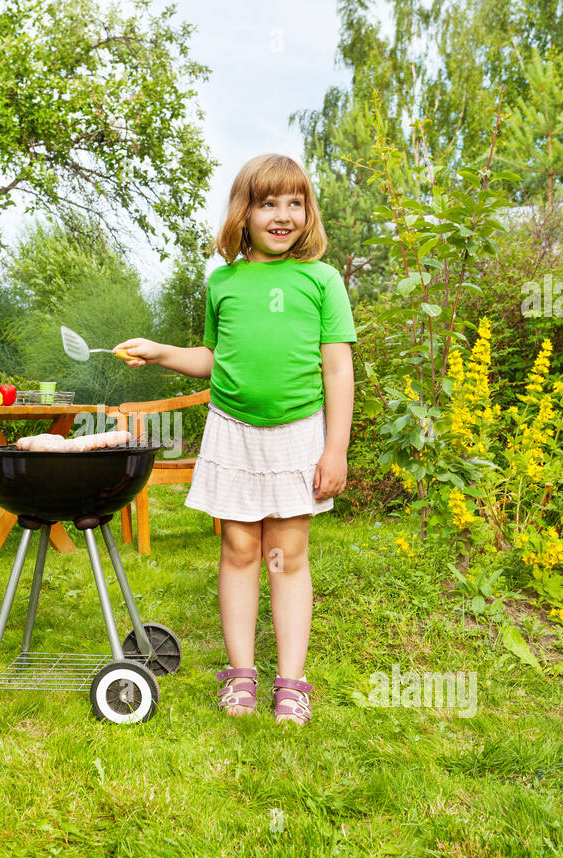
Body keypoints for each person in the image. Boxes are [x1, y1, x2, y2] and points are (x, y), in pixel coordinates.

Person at [116, 153, 355, 725]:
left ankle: (292, 683)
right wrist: (161, 351)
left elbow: (338, 370)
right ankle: (241, 675)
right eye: (268, 203)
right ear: (243, 213)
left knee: (288, 556)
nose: (282, 214)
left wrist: (335, 447)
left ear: (307, 213)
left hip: (299, 435)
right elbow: (214, 358)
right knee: (240, 549)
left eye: (294, 203)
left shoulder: (321, 279)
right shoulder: (222, 282)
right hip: (234, 432)